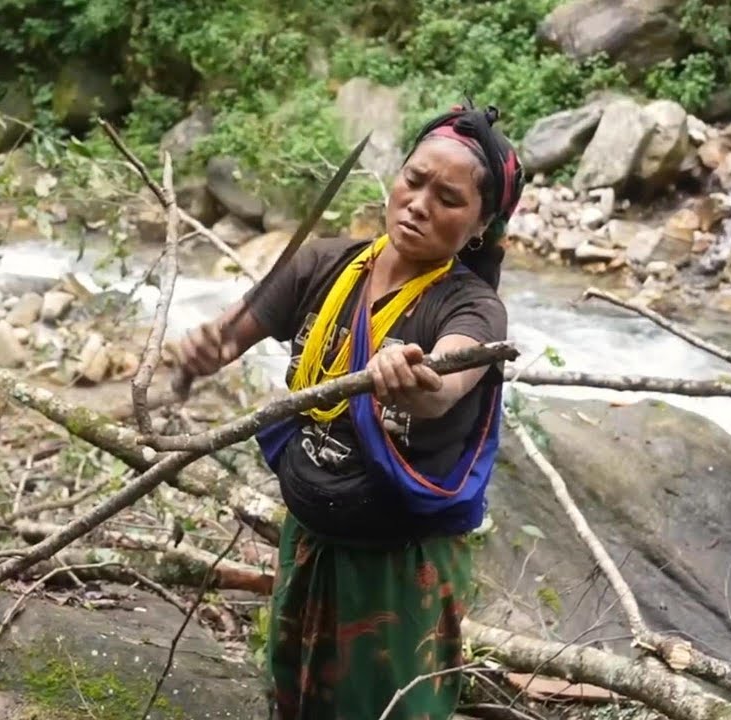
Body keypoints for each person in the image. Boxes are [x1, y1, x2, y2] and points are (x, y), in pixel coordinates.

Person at [176, 101, 526, 720]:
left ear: (479, 225)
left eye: (448, 198)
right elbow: (231, 337)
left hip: (397, 563)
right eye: (414, 181)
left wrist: (411, 379)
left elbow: (444, 381)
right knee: (296, 700)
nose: (419, 203)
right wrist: (206, 348)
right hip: (309, 534)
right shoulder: (324, 264)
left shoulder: (471, 309)